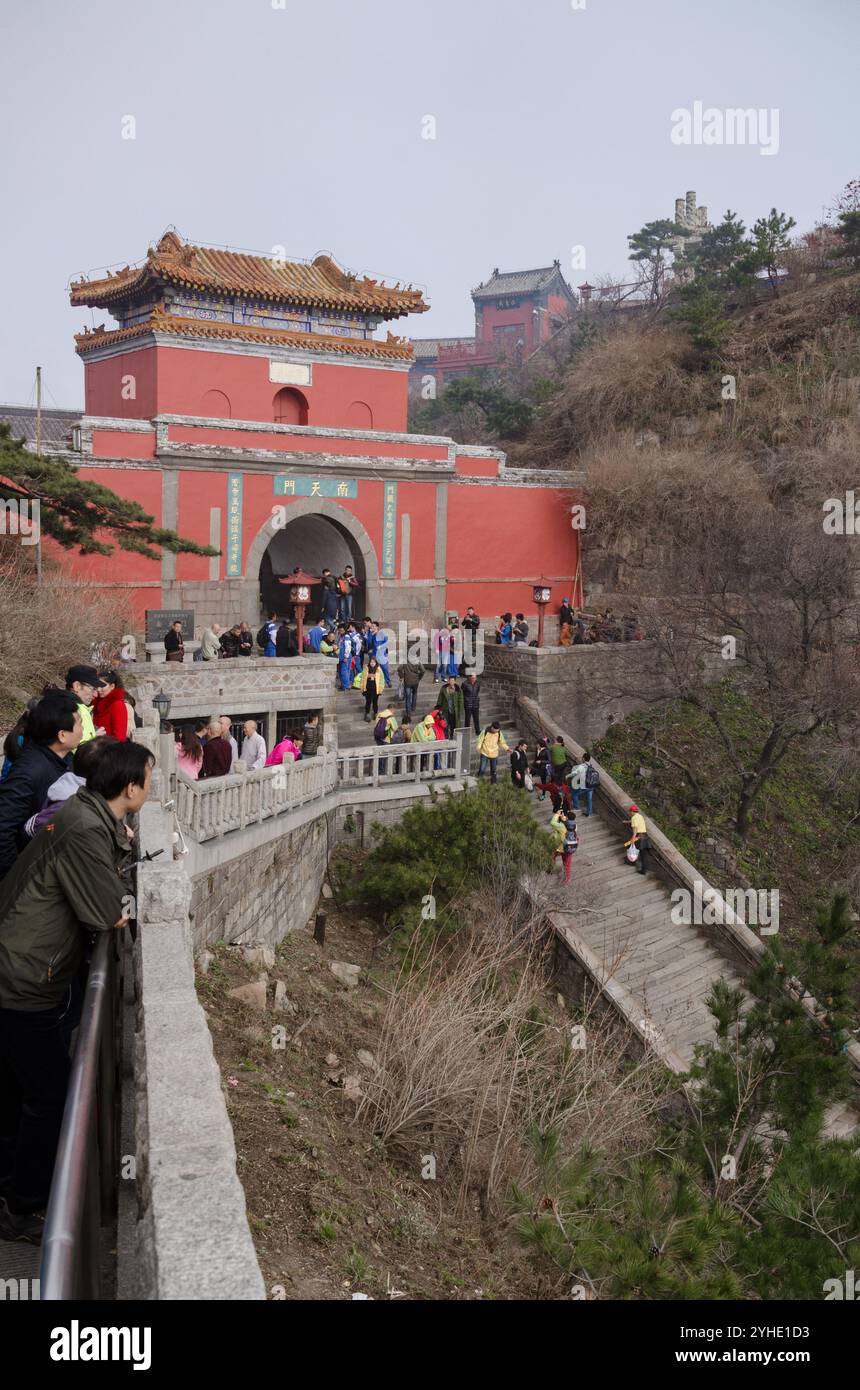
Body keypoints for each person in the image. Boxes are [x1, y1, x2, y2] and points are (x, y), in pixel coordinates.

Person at [0, 740, 153, 1240]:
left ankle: (12, 1190)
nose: (150, 787)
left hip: (23, 963)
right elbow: (106, 911)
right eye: (148, 779)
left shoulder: (85, 811)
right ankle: (24, 1207)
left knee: (19, 1086)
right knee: (47, 1093)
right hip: (24, 973)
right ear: (131, 788)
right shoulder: (86, 826)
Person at [0, 694, 83, 881]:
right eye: (78, 723)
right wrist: (14, 880)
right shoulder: (29, 771)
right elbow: (4, 828)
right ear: (62, 735)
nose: (83, 727)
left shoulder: (63, 760)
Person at [65, 665, 107, 744]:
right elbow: (68, 747)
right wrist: (94, 738)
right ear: (77, 686)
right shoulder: (73, 709)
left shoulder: (64, 704)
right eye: (93, 688)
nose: (96, 695)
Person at [92, 671, 130, 741]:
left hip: (109, 749)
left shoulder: (117, 705)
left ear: (112, 686)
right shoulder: (96, 703)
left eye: (102, 686)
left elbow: (120, 737)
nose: (99, 689)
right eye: (97, 686)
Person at [550, 810, 579, 884]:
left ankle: (551, 869)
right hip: (569, 847)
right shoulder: (575, 826)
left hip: (559, 847)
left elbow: (552, 823)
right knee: (567, 865)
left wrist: (557, 814)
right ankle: (567, 879)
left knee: (551, 856)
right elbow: (569, 823)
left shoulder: (562, 826)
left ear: (567, 818)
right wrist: (564, 818)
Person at [569, 751, 598, 817]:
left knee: (574, 794)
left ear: (584, 758)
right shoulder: (591, 765)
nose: (582, 759)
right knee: (589, 799)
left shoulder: (582, 766)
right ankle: (589, 813)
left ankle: (577, 807)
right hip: (591, 785)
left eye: (582, 758)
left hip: (584, 785)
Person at [625, 804, 651, 876]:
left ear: (632, 812)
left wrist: (632, 839)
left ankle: (632, 862)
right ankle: (643, 869)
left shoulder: (633, 818)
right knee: (643, 854)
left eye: (630, 812)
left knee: (628, 846)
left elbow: (635, 830)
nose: (630, 813)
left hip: (638, 837)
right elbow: (636, 822)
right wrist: (627, 822)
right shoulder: (640, 816)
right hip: (645, 836)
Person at [397, 653, 424, 721]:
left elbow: (399, 669)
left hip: (408, 682)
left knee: (408, 698)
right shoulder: (418, 661)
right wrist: (419, 678)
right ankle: (413, 707)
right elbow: (423, 670)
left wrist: (402, 676)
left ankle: (408, 714)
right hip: (415, 682)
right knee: (414, 693)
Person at [360, 657, 385, 722]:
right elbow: (362, 679)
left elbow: (382, 680)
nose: (372, 663)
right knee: (368, 702)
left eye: (373, 662)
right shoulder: (366, 669)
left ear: (376, 663)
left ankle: (375, 713)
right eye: (371, 662)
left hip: (375, 689)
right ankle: (367, 714)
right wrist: (362, 688)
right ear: (369, 662)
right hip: (368, 689)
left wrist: (381, 689)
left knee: (375, 702)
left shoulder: (379, 669)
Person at [373, 623, 391, 688]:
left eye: (373, 626)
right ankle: (376, 682)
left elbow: (387, 642)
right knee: (374, 669)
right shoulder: (372, 634)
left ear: (377, 627)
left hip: (382, 654)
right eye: (372, 626)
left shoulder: (382, 633)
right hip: (374, 654)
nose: (372, 627)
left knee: (385, 669)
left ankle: (388, 682)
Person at [337, 626, 353, 692]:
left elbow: (348, 647)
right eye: (340, 630)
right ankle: (344, 685)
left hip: (345, 657)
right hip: (341, 656)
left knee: (344, 671)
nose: (340, 631)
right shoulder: (341, 636)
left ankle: (346, 686)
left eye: (342, 630)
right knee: (342, 671)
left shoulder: (346, 637)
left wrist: (346, 657)